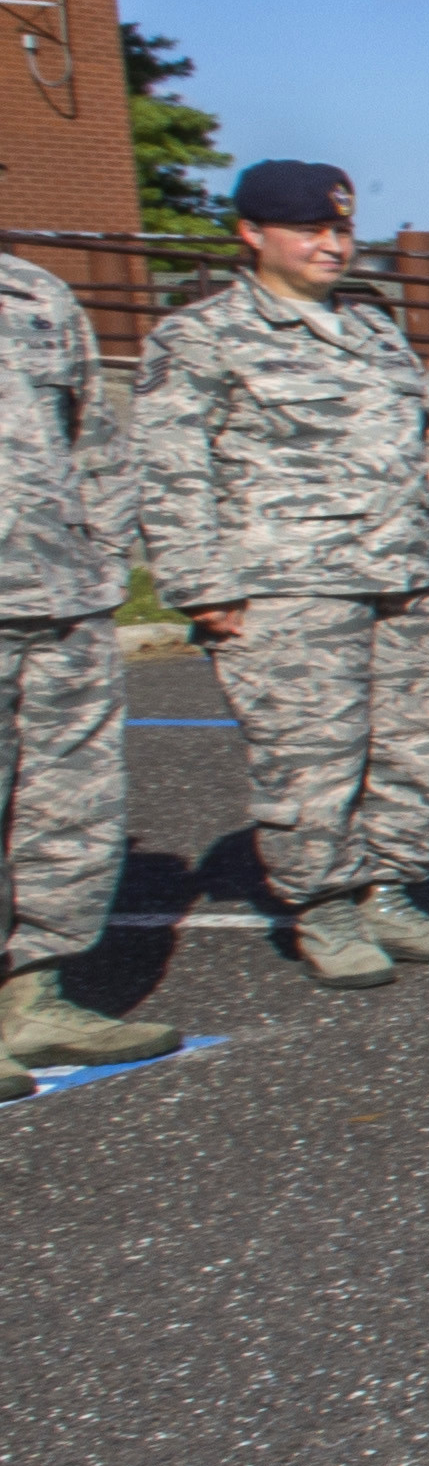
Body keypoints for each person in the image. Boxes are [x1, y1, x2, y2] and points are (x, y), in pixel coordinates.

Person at [135, 163, 429, 990]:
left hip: (403, 571)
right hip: (287, 582)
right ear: (252, 234)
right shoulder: (202, 336)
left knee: (416, 745)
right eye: (310, 230)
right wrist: (201, 584)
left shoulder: (371, 330)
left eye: (340, 229)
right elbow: (170, 468)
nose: (331, 244)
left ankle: (390, 891)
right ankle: (324, 906)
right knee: (312, 756)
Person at [0, 244, 174, 1084]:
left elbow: (93, 443)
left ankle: (33, 999)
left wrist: (102, 559)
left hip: (57, 592)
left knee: (68, 807)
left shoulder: (36, 293)